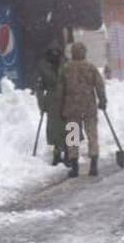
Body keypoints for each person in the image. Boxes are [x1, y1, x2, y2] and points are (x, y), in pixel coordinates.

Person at [59, 41, 106, 177]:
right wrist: (102, 100)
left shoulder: (66, 68)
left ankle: (74, 168)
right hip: (89, 105)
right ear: (84, 52)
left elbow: (60, 90)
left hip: (71, 107)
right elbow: (99, 85)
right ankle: (94, 166)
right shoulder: (90, 67)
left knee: (72, 136)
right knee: (92, 135)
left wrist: (60, 107)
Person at [35, 45, 65, 165]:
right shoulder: (43, 66)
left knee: (70, 124)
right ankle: (58, 152)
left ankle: (71, 153)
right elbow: (39, 88)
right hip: (54, 100)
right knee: (55, 127)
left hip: (65, 98)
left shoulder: (66, 64)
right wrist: (42, 105)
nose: (55, 54)